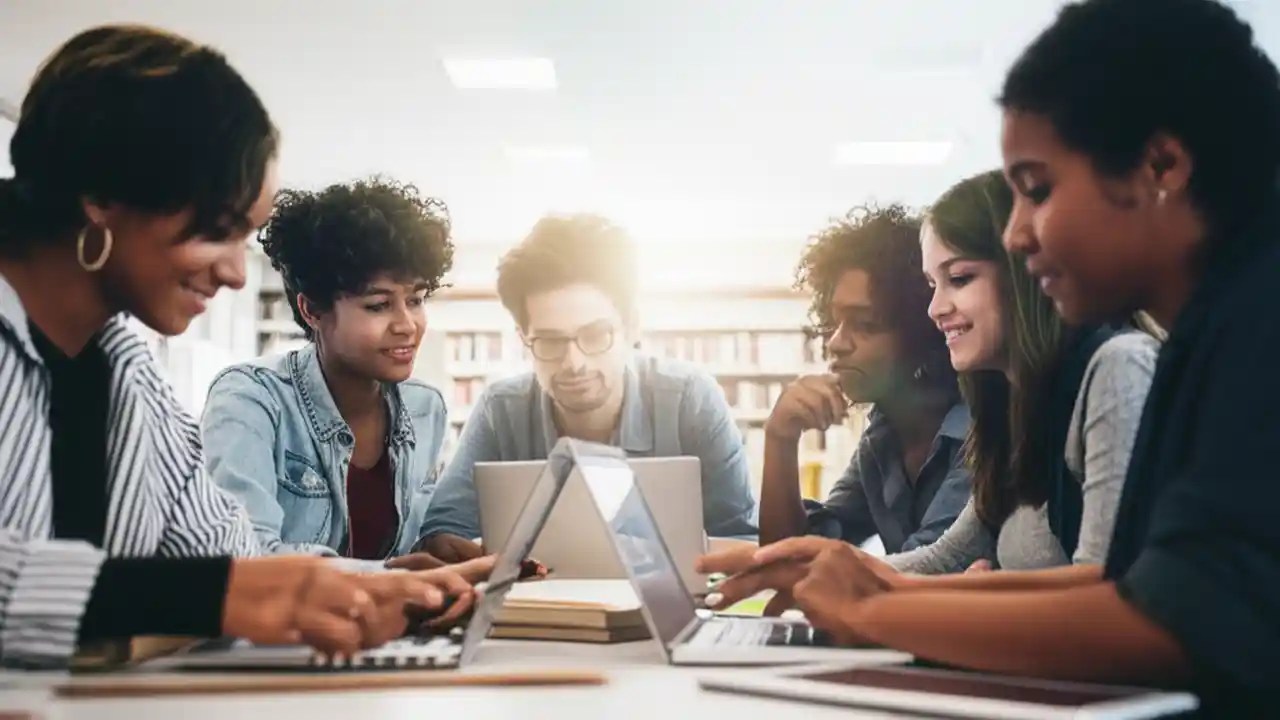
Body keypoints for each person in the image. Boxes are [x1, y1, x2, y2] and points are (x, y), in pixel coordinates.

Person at [707, 0, 1280, 711]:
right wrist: (857, 576)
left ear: (1162, 165)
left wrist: (872, 612)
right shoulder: (1211, 331)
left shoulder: (1250, 330)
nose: (1013, 236)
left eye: (1036, 190)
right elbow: (1127, 586)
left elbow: (1169, 625)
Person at [0, 25, 471, 667]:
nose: (235, 273)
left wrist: (372, 585)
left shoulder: (127, 374)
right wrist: (213, 594)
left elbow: (225, 554)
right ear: (101, 198)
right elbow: (219, 586)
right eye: (217, 232)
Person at [700, 171, 1157, 638]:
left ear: (1026, 272)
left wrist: (890, 595)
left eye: (958, 278)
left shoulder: (1115, 368)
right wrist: (806, 570)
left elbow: (1107, 595)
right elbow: (948, 559)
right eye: (932, 285)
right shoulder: (1009, 406)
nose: (935, 308)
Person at [411, 214, 758, 564]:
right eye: (550, 340)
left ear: (631, 326)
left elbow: (742, 536)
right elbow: (444, 527)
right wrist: (453, 548)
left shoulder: (692, 399)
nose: (574, 362)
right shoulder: (501, 408)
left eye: (595, 336)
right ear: (524, 339)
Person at [203, 178, 454, 561]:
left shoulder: (425, 407)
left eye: (416, 299)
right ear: (312, 310)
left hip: (395, 621)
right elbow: (248, 558)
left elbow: (408, 546)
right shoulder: (249, 399)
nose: (407, 324)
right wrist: (392, 581)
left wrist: (446, 551)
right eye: (378, 305)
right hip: (284, 621)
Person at [759, 205, 970, 554]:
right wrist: (780, 439)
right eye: (835, 322)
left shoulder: (978, 429)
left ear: (924, 333)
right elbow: (788, 556)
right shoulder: (884, 433)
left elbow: (927, 567)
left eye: (865, 324)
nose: (836, 343)